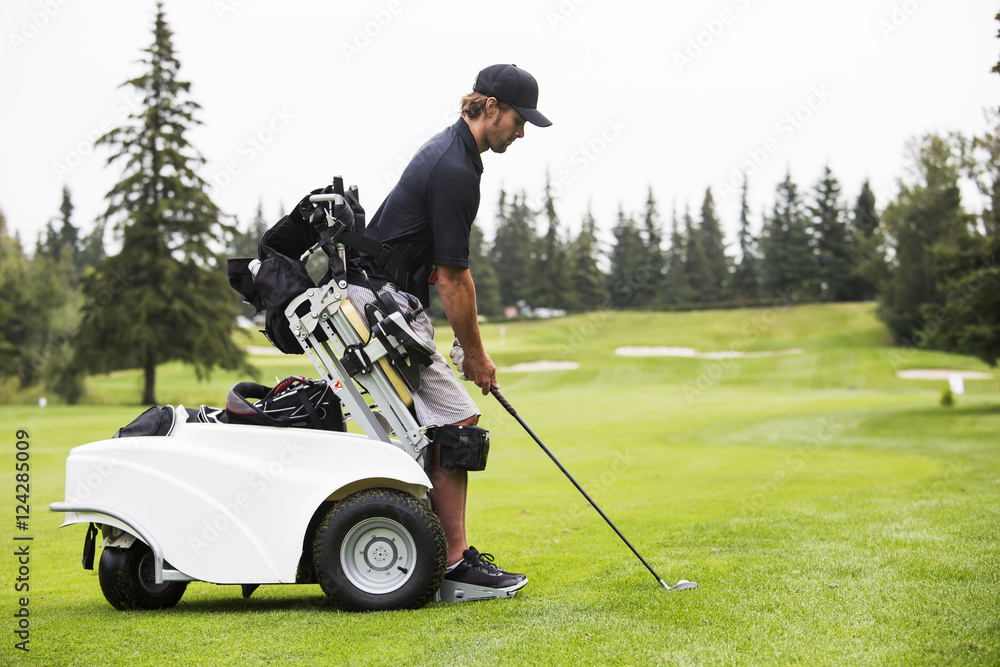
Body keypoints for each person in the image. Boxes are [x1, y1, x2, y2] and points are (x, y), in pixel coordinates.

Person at [346, 64, 552, 593]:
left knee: (436, 427)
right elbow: (456, 279)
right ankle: (454, 564)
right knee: (457, 419)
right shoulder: (456, 167)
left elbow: (439, 269)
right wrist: (477, 356)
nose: (522, 131)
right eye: (519, 119)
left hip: (380, 302)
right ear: (489, 107)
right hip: (378, 308)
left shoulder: (453, 153)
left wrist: (462, 341)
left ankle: (436, 554)